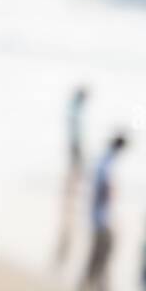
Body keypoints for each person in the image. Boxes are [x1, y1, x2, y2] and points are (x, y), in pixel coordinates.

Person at [80, 134, 127, 291]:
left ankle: (93, 287)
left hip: (98, 217)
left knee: (98, 257)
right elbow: (105, 189)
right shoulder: (106, 162)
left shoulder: (103, 160)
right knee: (99, 257)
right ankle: (92, 287)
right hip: (101, 219)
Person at [54, 86, 88, 265]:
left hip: (73, 145)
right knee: (75, 168)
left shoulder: (73, 107)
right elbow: (76, 135)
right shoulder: (75, 110)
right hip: (75, 145)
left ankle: (73, 186)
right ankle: (73, 188)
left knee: (74, 169)